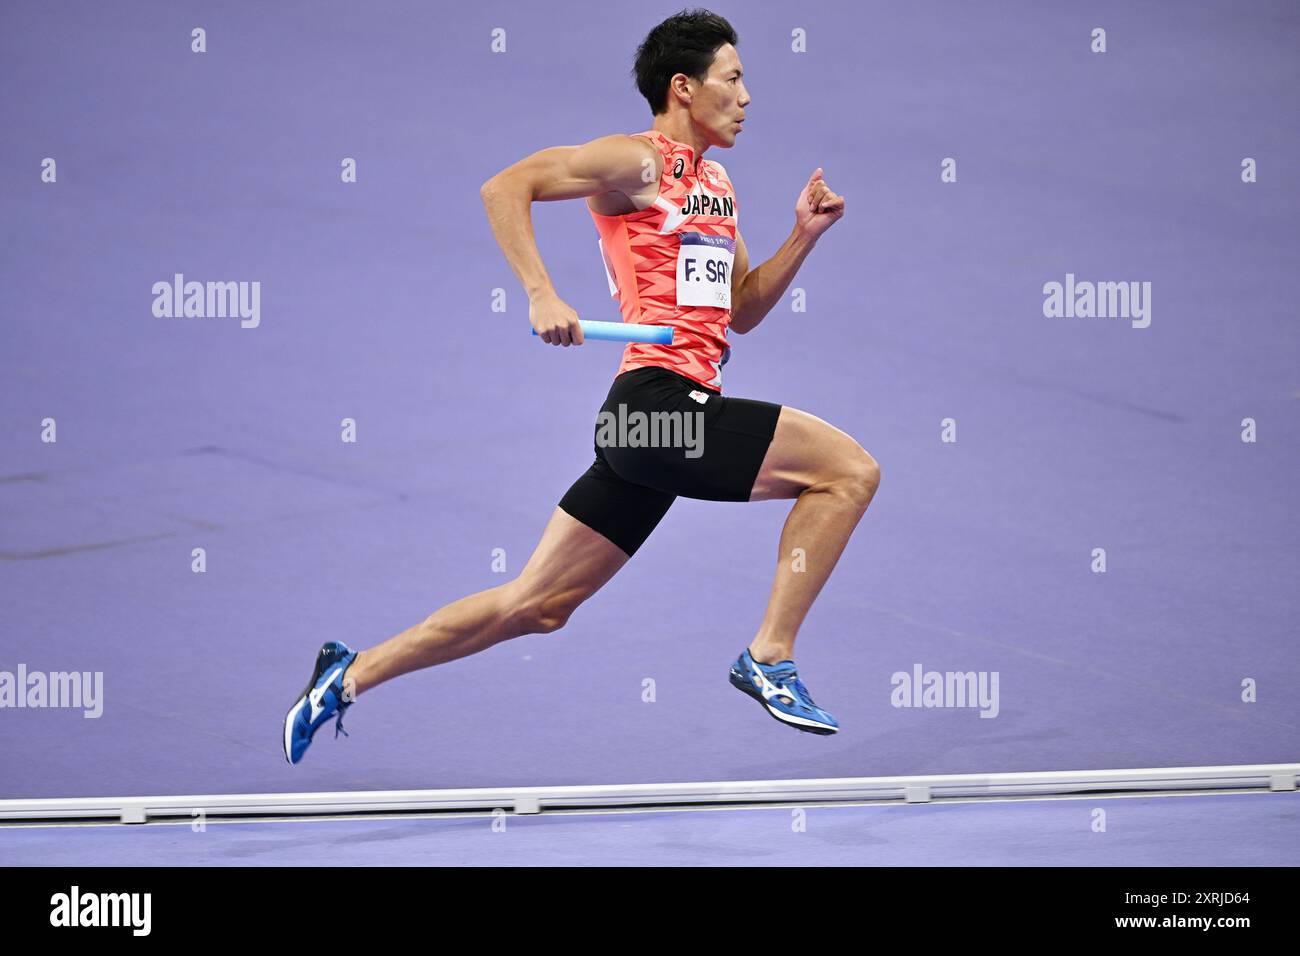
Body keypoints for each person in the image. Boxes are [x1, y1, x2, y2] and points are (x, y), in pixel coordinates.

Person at [284, 8, 880, 764]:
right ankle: (770, 655)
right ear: (684, 88)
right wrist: (541, 292)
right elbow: (507, 187)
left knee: (536, 606)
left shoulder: (717, 184)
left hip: (648, 430)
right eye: (734, 78)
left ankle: (348, 675)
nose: (748, 95)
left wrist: (803, 236)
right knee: (847, 472)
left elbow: (739, 312)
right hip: (657, 408)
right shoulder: (636, 162)